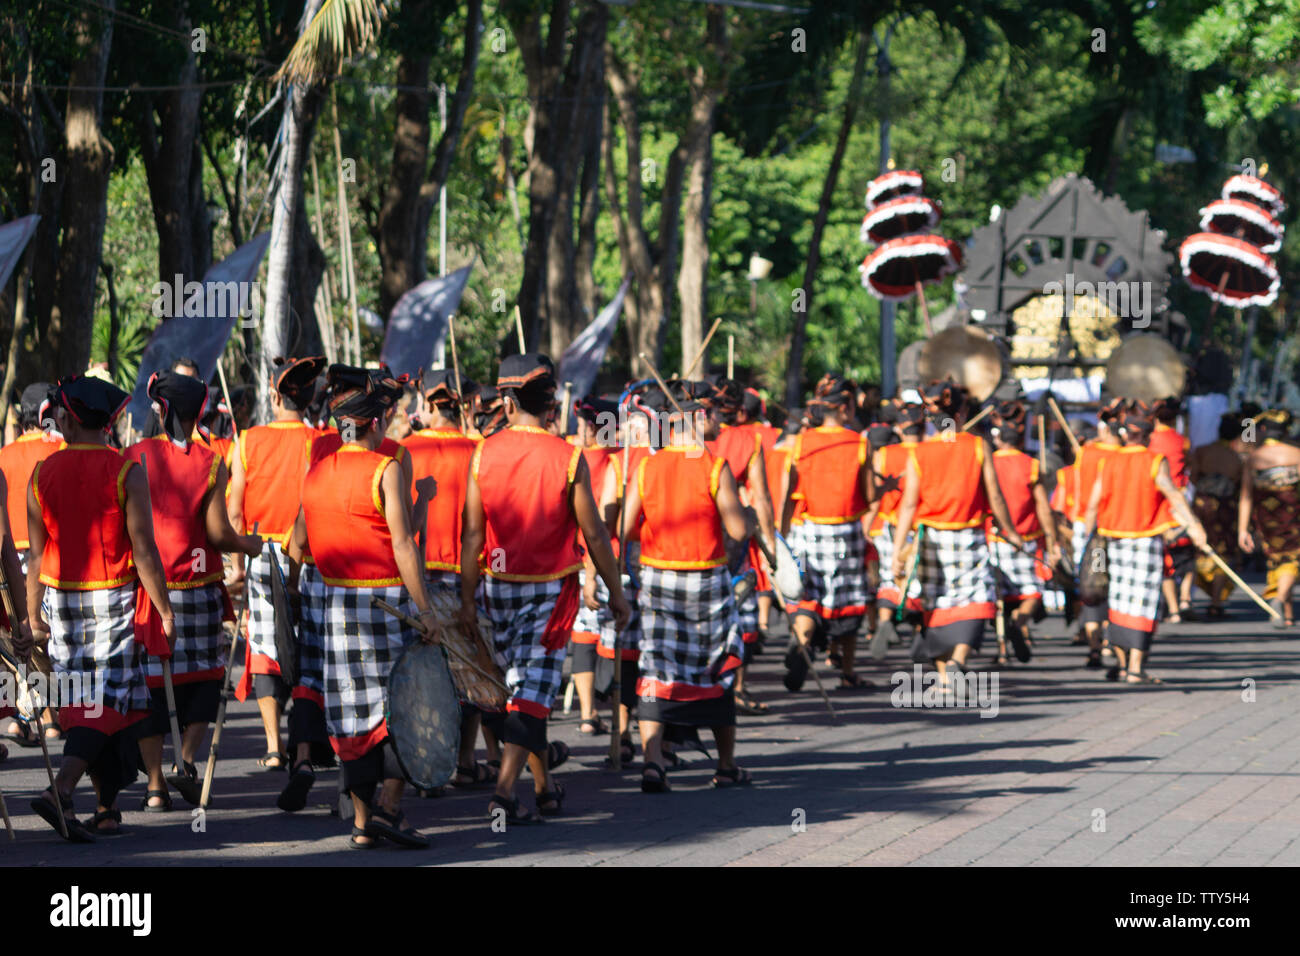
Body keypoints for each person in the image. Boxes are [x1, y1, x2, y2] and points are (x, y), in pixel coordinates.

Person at [459, 354, 629, 824]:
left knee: (523, 693)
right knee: (531, 695)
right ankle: (504, 793)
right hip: (549, 594)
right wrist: (616, 593)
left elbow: (473, 535)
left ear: (509, 403)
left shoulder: (482, 451)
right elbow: (595, 533)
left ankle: (543, 787)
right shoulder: (568, 456)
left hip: (495, 588)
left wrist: (468, 597)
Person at [287, 364, 439, 849]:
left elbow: (297, 545)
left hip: (334, 607)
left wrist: (292, 590)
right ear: (374, 423)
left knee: (352, 715)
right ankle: (391, 809)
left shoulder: (314, 473)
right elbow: (404, 545)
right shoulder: (386, 468)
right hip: (386, 606)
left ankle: (360, 822)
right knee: (401, 708)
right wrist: (427, 611)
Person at [21, 376, 175, 840]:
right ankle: (61, 789)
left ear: (68, 419)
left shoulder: (41, 473)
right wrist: (165, 610)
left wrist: (32, 615)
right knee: (104, 704)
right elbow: (144, 549)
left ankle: (106, 809)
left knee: (92, 704)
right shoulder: (126, 471)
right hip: (113, 599)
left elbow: (35, 553)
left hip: (61, 600)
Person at [125, 372, 263, 810]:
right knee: (204, 679)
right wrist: (248, 545)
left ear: (161, 411)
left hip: (146, 592)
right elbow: (220, 533)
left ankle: (153, 786)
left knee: (149, 684)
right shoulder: (209, 461)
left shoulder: (131, 457)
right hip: (197, 590)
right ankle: (184, 762)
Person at [621, 384, 754, 793]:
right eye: (710, 417)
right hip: (707, 581)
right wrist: (748, 517)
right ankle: (726, 765)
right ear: (695, 423)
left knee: (657, 667)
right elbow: (735, 529)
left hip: (658, 579)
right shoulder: (715, 466)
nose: (716, 422)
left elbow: (624, 529)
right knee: (716, 666)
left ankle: (653, 761)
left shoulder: (646, 467)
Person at [227, 355, 325, 770]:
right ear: (309, 399)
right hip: (312, 556)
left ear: (275, 395)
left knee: (266, 646)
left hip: (261, 554)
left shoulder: (247, 441)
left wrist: (237, 563)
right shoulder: (321, 442)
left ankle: (273, 745)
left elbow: (234, 512)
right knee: (309, 647)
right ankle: (305, 749)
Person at [890, 381, 1023, 685]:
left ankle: (944, 676)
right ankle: (958, 659)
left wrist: (898, 548)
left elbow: (908, 504)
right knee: (973, 599)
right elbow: (996, 495)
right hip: (968, 537)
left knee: (936, 602)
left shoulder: (920, 452)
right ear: (961, 414)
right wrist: (1010, 532)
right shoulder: (977, 446)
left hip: (931, 539)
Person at [401, 369, 496, 789]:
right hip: (468, 572)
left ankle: (430, 758)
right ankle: (463, 758)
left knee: (429, 669)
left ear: (427, 404)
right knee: (471, 669)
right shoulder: (479, 449)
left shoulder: (402, 448)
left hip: (418, 574)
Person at [1083, 401, 1207, 682]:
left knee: (1119, 602)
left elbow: (1092, 505)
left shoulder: (1108, 461)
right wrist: (1195, 526)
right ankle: (1136, 668)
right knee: (1143, 602)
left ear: (1125, 434)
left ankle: (1125, 664)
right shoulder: (1154, 461)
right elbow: (1174, 495)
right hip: (1146, 542)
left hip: (1114, 542)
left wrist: (1089, 541)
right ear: (1149, 436)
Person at [779, 374, 874, 690]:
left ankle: (803, 642)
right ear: (846, 406)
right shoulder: (860, 442)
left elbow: (787, 489)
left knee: (810, 596)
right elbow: (870, 495)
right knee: (848, 603)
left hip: (808, 530)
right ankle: (847, 673)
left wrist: (781, 533)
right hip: (846, 531)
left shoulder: (802, 442)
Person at [704, 379, 776, 712]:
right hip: (733, 539)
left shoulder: (689, 435)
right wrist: (770, 546)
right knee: (737, 613)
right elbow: (760, 498)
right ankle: (736, 687)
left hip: (694, 534)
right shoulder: (750, 439)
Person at [0, 382, 63, 746]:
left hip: (11, 559)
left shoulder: (4, 455)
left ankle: (27, 715)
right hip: (45, 554)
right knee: (41, 638)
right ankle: (41, 715)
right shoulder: (61, 450)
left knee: (18, 643)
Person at [985, 401, 1061, 665]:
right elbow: (1043, 506)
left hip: (993, 538)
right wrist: (1052, 541)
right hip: (1025, 539)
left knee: (999, 599)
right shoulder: (1030, 464)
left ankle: (1003, 650)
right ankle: (1019, 622)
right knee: (1031, 592)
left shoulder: (988, 463)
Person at [570, 396, 620, 736]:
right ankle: (617, 724)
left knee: (585, 637)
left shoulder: (581, 458)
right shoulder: (620, 458)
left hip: (584, 557)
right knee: (609, 642)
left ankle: (588, 712)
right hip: (604, 559)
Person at [862, 402, 924, 654]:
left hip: (891, 523)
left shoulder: (884, 455)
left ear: (899, 427)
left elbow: (875, 495)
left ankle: (886, 620)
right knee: (921, 579)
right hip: (923, 524)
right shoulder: (930, 452)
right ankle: (921, 630)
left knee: (890, 575)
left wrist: (867, 522)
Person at [1238, 410, 1300, 627]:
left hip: (1265, 518)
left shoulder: (1254, 458)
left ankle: (1287, 615)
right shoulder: (1296, 454)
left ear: (1264, 430)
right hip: (1292, 515)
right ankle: (1280, 599)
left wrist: (1242, 529)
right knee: (1291, 560)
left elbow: (1245, 496)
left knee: (1277, 559)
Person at [1188, 413, 1244, 618]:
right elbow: (1239, 484)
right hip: (1225, 507)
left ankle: (1188, 597)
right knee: (1224, 552)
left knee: (1198, 549)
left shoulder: (1203, 451)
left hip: (1203, 505)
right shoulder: (1235, 457)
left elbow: (1193, 477)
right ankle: (1216, 600)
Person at [1149, 397, 1196, 621]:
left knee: (1165, 559)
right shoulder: (1182, 441)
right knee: (1187, 554)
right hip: (1180, 501)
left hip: (1159, 503)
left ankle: (1174, 608)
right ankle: (1185, 598)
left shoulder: (1149, 441)